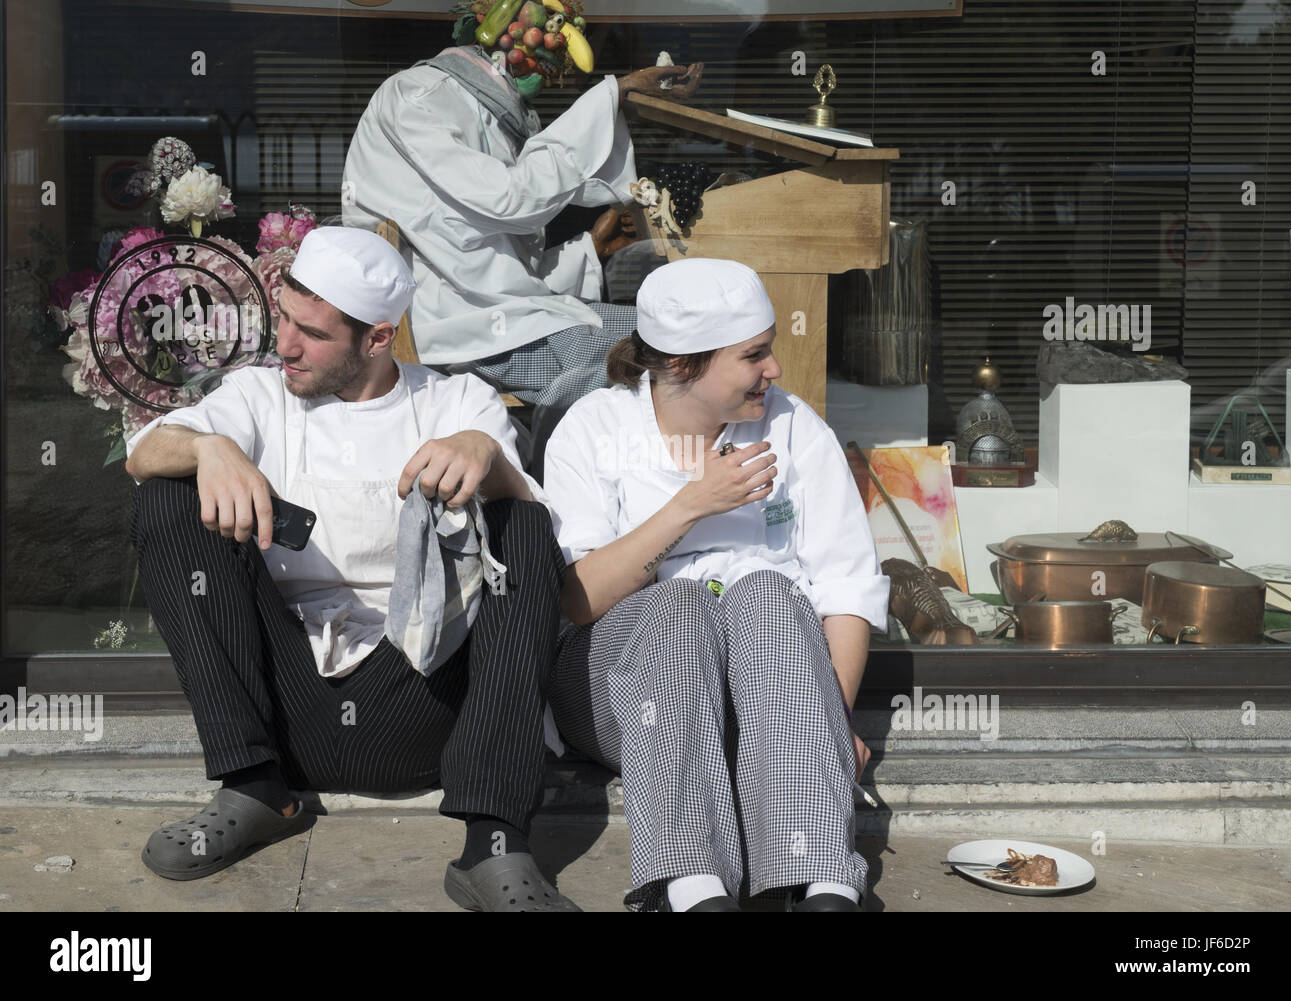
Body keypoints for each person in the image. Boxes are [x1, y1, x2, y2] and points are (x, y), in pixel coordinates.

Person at [124, 226, 579, 911]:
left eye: (312, 333)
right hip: (288, 702)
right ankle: (252, 785)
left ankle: (495, 840)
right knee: (169, 497)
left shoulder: (453, 403)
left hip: (422, 704)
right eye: (283, 318)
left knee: (523, 523)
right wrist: (209, 447)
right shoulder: (258, 396)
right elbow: (143, 454)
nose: (285, 344)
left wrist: (483, 453)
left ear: (376, 339)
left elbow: (528, 525)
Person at [542, 258, 890, 912]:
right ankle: (693, 885)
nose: (774, 370)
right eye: (753, 355)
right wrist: (691, 505)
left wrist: (829, 717)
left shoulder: (795, 430)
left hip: (769, 700)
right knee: (679, 601)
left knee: (764, 589)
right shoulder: (593, 431)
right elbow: (575, 597)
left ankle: (824, 885)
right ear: (681, 365)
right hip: (625, 694)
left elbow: (846, 584)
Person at [341, 1, 703, 426]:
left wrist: (592, 247)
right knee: (684, 354)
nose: (558, 71)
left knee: (685, 325)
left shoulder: (487, 110)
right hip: (464, 336)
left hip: (498, 323)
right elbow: (512, 201)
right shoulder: (418, 97)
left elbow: (490, 257)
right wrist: (614, 93)